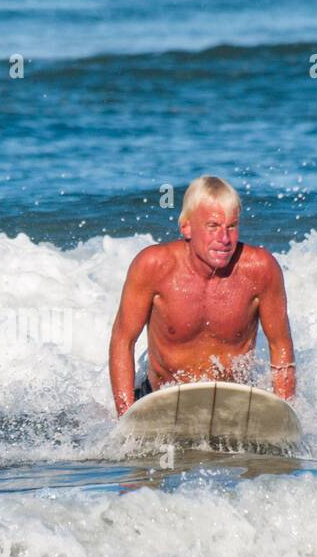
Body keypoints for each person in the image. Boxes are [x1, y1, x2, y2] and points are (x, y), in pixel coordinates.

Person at [109, 174, 296, 417]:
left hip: (232, 401)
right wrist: (125, 415)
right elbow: (122, 340)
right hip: (162, 400)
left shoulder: (260, 269)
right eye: (213, 226)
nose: (224, 239)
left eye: (231, 226)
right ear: (186, 227)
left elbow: (280, 344)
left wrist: (285, 414)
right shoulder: (153, 266)